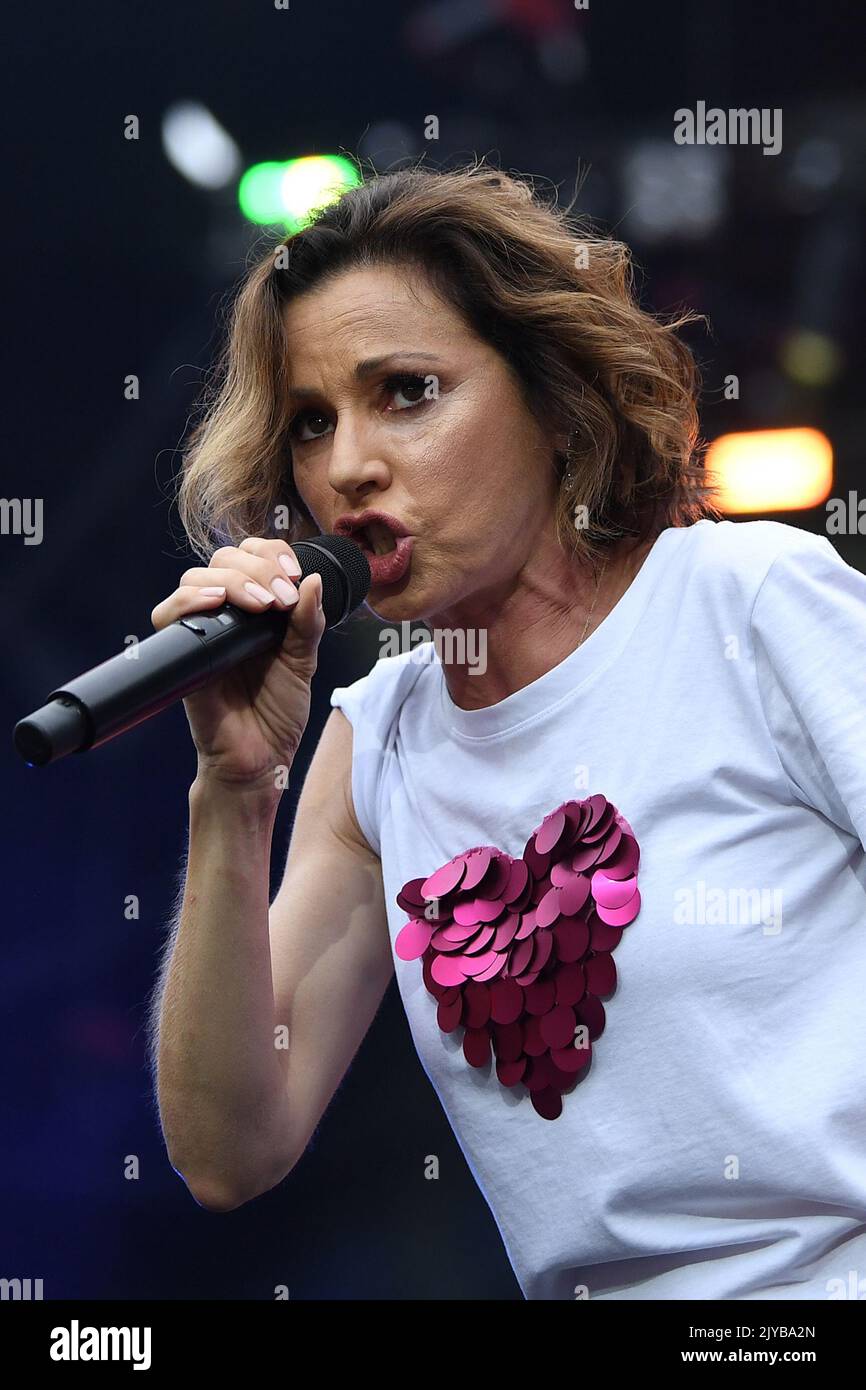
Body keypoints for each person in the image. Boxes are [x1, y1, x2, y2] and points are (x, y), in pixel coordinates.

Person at [147, 162, 866, 1300]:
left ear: (547, 388)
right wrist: (232, 793)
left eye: (407, 391)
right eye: (309, 423)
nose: (347, 466)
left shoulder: (748, 601)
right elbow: (229, 1151)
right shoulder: (372, 741)